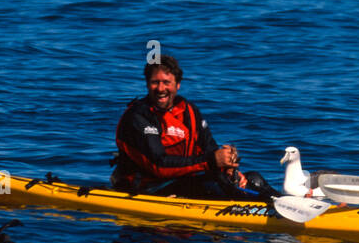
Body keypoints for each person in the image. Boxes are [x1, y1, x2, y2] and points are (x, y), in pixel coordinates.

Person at [111, 55, 269, 199]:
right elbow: (158, 165)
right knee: (212, 187)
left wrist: (227, 167)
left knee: (253, 180)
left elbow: (209, 149)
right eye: (155, 82)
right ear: (147, 84)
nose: (160, 89)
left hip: (183, 181)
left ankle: (282, 207)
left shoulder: (189, 111)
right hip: (148, 189)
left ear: (178, 85)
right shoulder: (138, 116)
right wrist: (212, 162)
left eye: (166, 82)